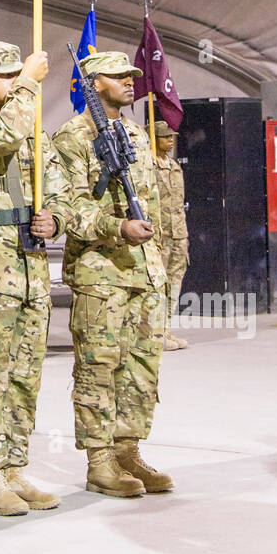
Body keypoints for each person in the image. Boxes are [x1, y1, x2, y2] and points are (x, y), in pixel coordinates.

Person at [53, 52, 172, 498]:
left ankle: (128, 449)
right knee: (99, 369)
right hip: (101, 273)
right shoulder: (73, 137)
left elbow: (154, 205)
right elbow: (70, 205)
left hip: (144, 272)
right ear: (91, 82)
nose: (128, 81)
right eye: (118, 75)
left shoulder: (138, 134)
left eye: (130, 75)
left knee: (142, 367)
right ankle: (99, 460)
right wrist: (116, 227)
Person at [0, 41, 69, 516]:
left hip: (30, 269)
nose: (15, 83)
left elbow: (61, 188)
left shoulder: (34, 131)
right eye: (4, 75)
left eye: (17, 75)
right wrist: (29, 81)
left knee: (25, 376)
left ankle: (14, 465)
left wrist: (56, 220)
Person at [153, 120, 190, 351]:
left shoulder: (175, 166)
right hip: (160, 234)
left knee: (174, 284)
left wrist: (184, 235)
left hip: (178, 234)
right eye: (164, 136)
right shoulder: (148, 166)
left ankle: (166, 328)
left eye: (171, 136)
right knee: (159, 285)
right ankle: (155, 333)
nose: (170, 140)